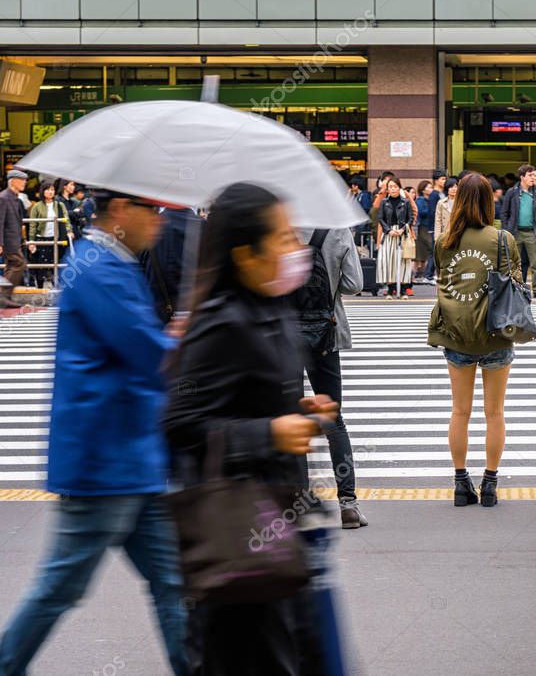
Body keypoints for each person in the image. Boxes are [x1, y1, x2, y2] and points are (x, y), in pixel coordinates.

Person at [0, 189, 188, 676]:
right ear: (122, 211)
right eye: (152, 210)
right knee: (59, 586)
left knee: (171, 581)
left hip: (127, 459)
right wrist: (183, 336)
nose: (160, 221)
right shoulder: (102, 270)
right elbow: (148, 354)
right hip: (105, 463)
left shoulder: (107, 263)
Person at [164, 183, 338, 674]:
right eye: (282, 238)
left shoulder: (270, 305)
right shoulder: (221, 321)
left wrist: (299, 408)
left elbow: (252, 394)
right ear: (245, 254)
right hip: (238, 542)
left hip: (279, 527)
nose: (295, 249)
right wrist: (269, 432)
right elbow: (179, 424)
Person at [428, 173, 519, 508]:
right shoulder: (502, 239)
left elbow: (443, 279)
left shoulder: (444, 242)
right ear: (488, 202)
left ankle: (460, 482)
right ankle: (490, 483)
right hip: (495, 334)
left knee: (459, 410)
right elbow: (518, 281)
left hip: (457, 333)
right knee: (494, 412)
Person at [294, 224, 366, 528]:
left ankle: (298, 502)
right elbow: (354, 283)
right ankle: (348, 504)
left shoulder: (278, 222)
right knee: (333, 419)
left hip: (286, 335)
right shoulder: (336, 230)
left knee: (292, 418)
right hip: (326, 333)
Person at [139, 205, 201, 323]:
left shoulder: (150, 228)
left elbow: (140, 272)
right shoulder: (206, 227)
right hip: (197, 320)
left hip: (157, 317)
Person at [499, 164, 536, 298]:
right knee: (515, 263)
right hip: (515, 232)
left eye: (534, 175)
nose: (533, 178)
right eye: (530, 175)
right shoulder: (512, 192)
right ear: (522, 177)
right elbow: (504, 213)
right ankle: (516, 288)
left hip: (533, 232)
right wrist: (507, 229)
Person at [376, 177, 416, 299]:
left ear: (399, 188)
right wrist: (388, 230)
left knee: (404, 262)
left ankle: (403, 291)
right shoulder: (384, 202)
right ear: (387, 190)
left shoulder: (406, 202)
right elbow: (380, 218)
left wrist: (402, 229)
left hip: (402, 234)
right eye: (390, 187)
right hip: (388, 235)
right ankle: (390, 290)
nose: (393, 189)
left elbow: (411, 218)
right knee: (388, 261)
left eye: (395, 186)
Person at [27, 180, 69, 289]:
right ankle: (40, 288)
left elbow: (66, 221)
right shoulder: (37, 206)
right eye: (47, 189)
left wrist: (69, 231)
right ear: (42, 191)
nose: (50, 192)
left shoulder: (60, 205)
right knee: (40, 266)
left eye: (52, 189)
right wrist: (32, 241)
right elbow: (32, 225)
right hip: (41, 239)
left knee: (55, 264)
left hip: (55, 239)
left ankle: (56, 289)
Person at [0, 170, 28, 307]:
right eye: (22, 180)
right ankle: (2, 295)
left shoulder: (15, 198)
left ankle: (6, 297)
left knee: (11, 266)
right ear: (13, 181)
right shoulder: (3, 197)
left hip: (14, 240)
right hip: (7, 241)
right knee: (19, 263)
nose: (25, 183)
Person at [415, 179, 436, 284]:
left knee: (429, 250)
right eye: (429, 187)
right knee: (428, 249)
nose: (431, 189)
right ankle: (424, 273)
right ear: (423, 190)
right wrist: (431, 210)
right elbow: (420, 212)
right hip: (423, 227)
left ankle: (426, 272)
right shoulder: (420, 200)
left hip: (430, 227)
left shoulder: (431, 199)